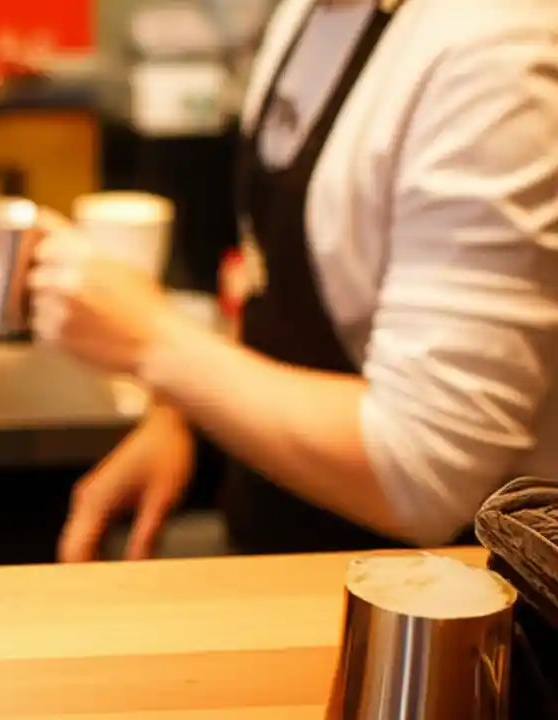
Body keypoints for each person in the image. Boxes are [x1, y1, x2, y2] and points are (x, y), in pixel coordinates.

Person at [30, 0, 558, 561]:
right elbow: (274, 289)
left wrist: (151, 343)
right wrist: (181, 415)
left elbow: (422, 476)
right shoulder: (308, 14)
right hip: (282, 534)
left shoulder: (494, 55)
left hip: (434, 601)